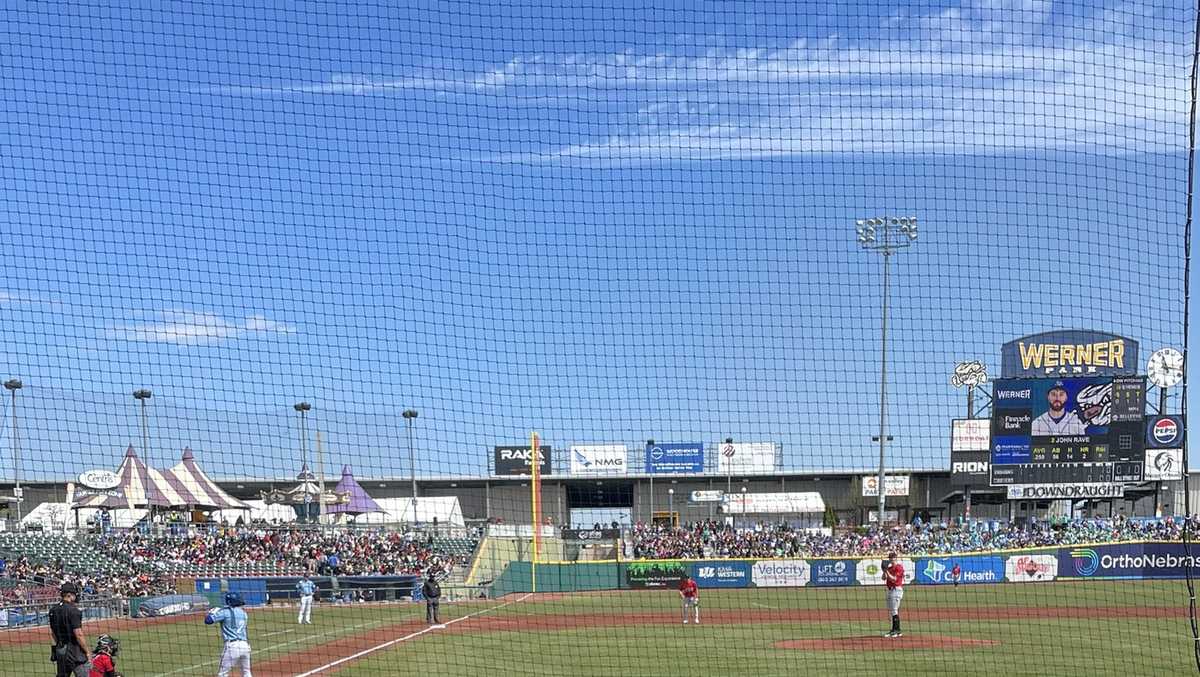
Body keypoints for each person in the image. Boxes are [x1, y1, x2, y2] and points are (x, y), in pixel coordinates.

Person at [206, 592, 252, 677]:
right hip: (245, 646)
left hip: (232, 646)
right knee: (246, 672)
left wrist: (212, 612)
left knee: (222, 674)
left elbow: (208, 621)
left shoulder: (225, 612)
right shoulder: (244, 614)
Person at [49, 581, 90, 677]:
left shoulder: (53, 610)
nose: (75, 597)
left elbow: (53, 633)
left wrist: (59, 645)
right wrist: (87, 651)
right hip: (75, 652)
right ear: (69, 595)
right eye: (74, 594)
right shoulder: (73, 610)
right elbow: (78, 634)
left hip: (61, 650)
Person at [883, 552, 905, 638]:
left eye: (892, 558)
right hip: (889, 590)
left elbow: (894, 579)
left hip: (896, 589)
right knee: (892, 610)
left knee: (894, 610)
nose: (891, 559)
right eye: (890, 558)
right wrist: (884, 571)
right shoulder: (890, 568)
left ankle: (896, 630)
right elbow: (884, 578)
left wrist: (887, 572)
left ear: (896, 558)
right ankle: (895, 630)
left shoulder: (899, 567)